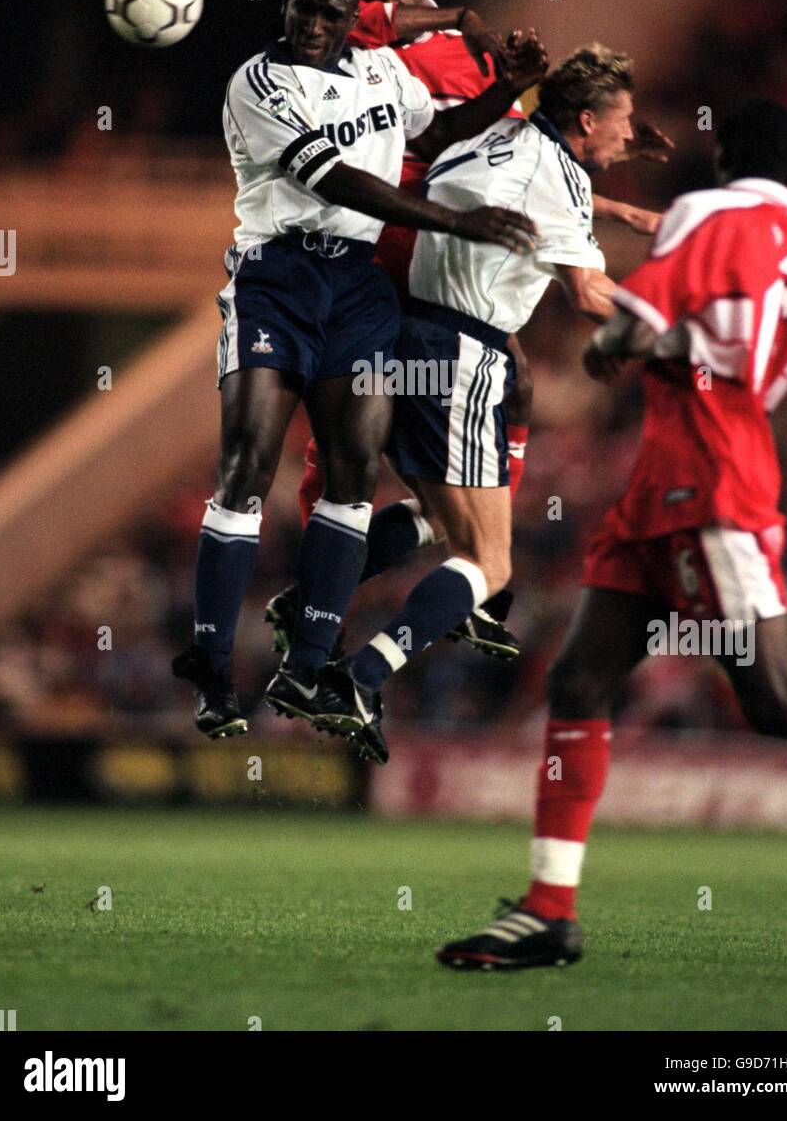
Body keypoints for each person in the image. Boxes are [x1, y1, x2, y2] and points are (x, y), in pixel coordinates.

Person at [437, 99, 787, 972]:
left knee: (773, 701)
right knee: (580, 677)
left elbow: (645, 308)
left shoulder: (701, 210)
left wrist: (614, 338)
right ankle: (548, 913)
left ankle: (549, 912)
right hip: (673, 486)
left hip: (711, 488)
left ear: (725, 154)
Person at [172, 0, 546, 739]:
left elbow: (439, 128)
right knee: (245, 467)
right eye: (301, 8)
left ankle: (307, 666)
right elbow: (331, 177)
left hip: (358, 292)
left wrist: (504, 90)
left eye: (327, 15)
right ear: (290, 6)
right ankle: (211, 671)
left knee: (352, 476)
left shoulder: (381, 72)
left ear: (352, 22)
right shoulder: (257, 83)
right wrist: (448, 221)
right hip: (278, 278)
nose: (310, 25)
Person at [270, 44, 662, 762]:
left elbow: (512, 193)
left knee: (436, 520)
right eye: (625, 122)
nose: (629, 135)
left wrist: (613, 209)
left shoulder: (489, 132)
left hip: (402, 336)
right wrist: (673, 328)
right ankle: (360, 677)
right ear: (584, 119)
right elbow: (586, 295)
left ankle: (309, 600)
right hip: (463, 356)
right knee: (491, 563)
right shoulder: (561, 176)